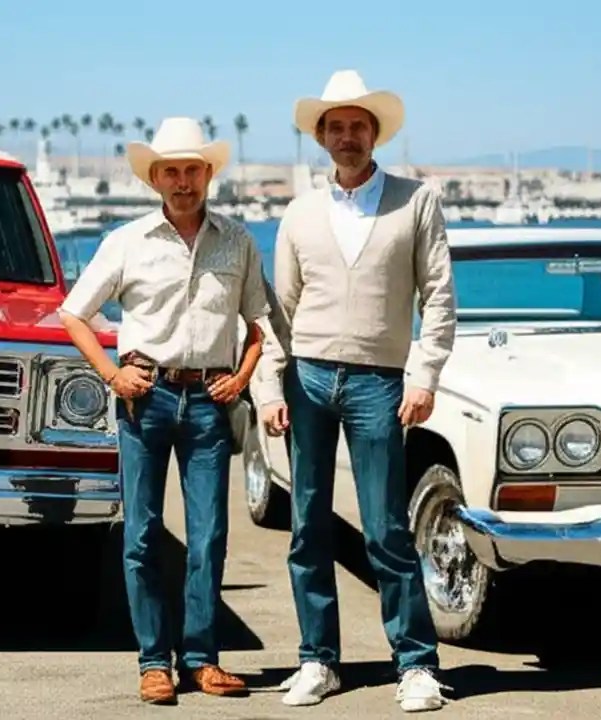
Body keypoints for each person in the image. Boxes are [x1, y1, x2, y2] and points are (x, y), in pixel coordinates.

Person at [255, 69, 458, 712]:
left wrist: (424, 376)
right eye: (336, 127)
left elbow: (440, 297)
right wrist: (269, 388)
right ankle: (319, 660)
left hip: (380, 381)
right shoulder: (300, 212)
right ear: (322, 137)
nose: (347, 136)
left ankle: (417, 665)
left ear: (376, 135)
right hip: (307, 376)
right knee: (307, 526)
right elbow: (276, 310)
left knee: (385, 529)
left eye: (358, 126)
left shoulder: (416, 200)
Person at [59, 116, 272, 705]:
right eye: (172, 171)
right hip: (144, 399)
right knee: (143, 535)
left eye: (193, 170)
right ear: (155, 177)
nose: (183, 181)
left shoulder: (238, 240)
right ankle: (154, 662)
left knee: (208, 536)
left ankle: (202, 659)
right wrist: (111, 374)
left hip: (209, 401)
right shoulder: (127, 241)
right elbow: (73, 314)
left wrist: (244, 377)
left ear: (209, 174)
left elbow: (259, 323)